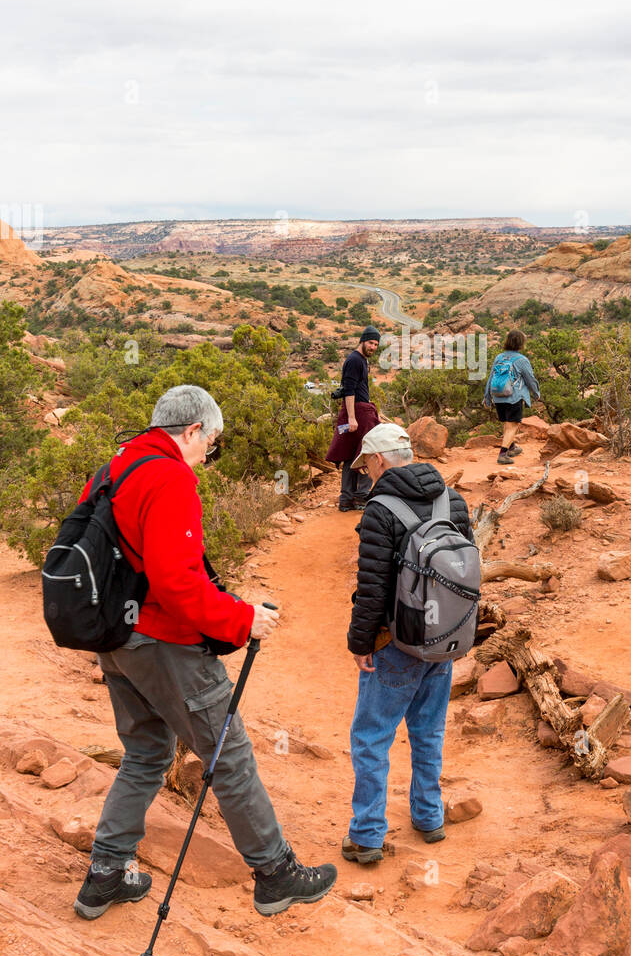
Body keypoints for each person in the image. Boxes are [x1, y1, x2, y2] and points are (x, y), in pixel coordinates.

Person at [73, 385, 336, 921]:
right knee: (228, 753)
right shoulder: (170, 477)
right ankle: (276, 874)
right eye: (209, 443)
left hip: (115, 636)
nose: (206, 455)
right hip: (162, 643)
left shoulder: (116, 465)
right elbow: (176, 583)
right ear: (193, 430)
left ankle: (106, 873)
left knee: (146, 753)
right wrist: (242, 619)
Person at [342, 423, 475, 864]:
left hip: (394, 644)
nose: (365, 472)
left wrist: (360, 643)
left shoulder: (379, 510)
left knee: (371, 738)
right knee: (429, 731)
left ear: (379, 460)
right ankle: (429, 817)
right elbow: (466, 569)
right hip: (443, 640)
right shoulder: (451, 500)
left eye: (365, 464)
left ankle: (366, 836)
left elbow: (373, 587)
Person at [326, 326, 381, 511]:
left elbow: (356, 388)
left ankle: (346, 499)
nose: (373, 347)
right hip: (357, 414)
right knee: (368, 453)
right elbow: (348, 391)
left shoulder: (361, 360)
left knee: (352, 455)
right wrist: (352, 418)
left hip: (360, 410)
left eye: (376, 344)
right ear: (362, 340)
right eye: (371, 343)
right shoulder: (355, 360)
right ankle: (359, 497)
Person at [482, 329, 541, 465]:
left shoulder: (499, 357)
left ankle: (512, 447)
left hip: (498, 395)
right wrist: (536, 393)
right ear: (521, 343)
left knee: (507, 423)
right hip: (513, 397)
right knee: (513, 425)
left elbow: (491, 378)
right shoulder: (522, 360)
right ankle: (503, 454)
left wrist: (487, 397)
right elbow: (530, 379)